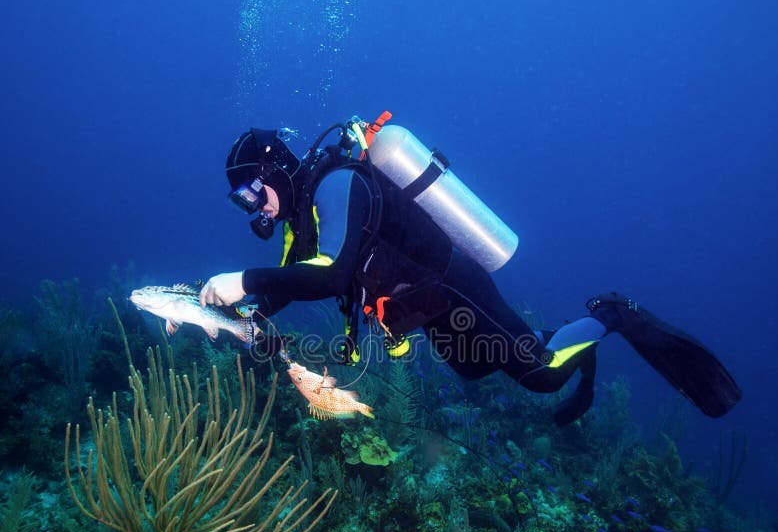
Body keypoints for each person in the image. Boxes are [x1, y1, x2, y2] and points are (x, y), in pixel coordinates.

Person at [200, 117, 741, 425]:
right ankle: (557, 339)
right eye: (241, 203)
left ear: (277, 168)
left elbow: (334, 277)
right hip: (425, 307)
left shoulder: (338, 186)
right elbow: (292, 281)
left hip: (455, 285)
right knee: (474, 369)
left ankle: (613, 316)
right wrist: (228, 312)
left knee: (541, 375)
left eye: (252, 192)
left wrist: (242, 281)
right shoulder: (303, 223)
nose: (255, 209)